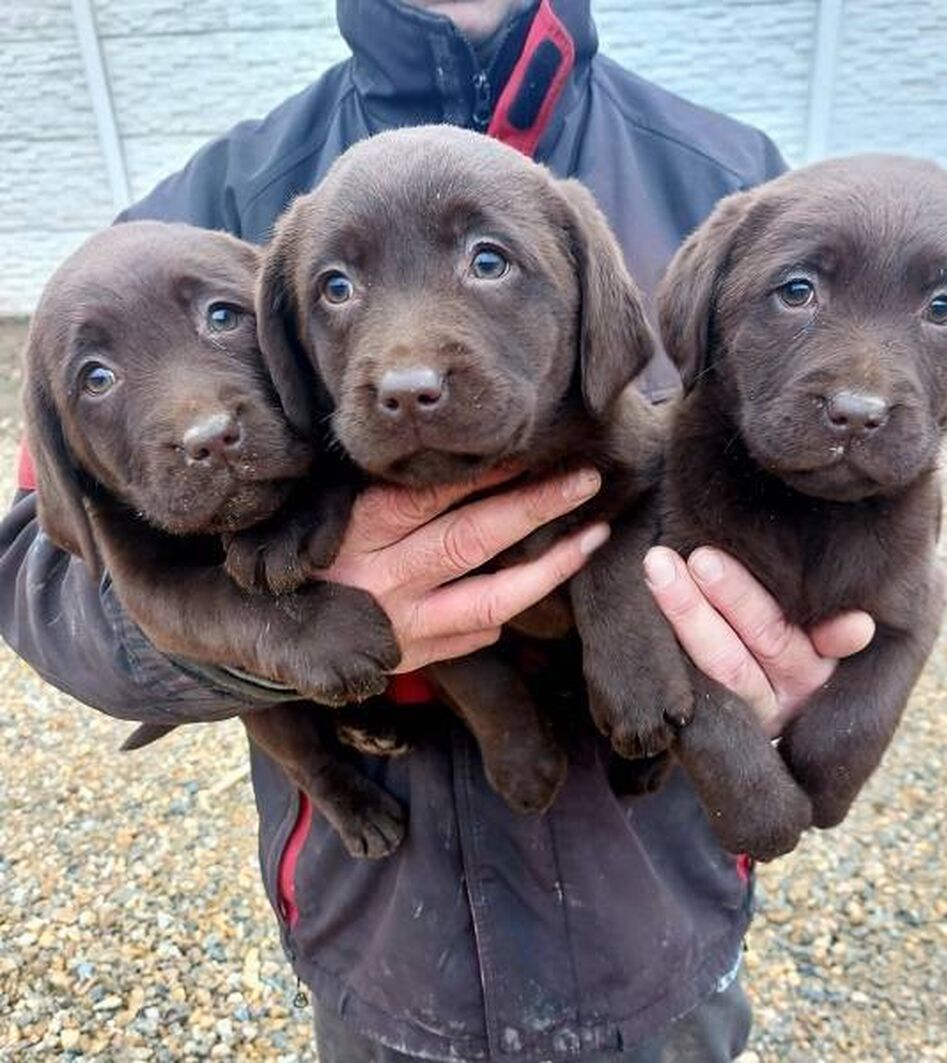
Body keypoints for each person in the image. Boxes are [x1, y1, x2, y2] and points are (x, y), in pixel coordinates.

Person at [0, 1, 875, 1059]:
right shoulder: (215, 204)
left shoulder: (733, 185)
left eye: (490, 262)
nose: (408, 370)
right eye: (336, 286)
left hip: (658, 915)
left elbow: (854, 481)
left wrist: (799, 649)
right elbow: (35, 571)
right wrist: (265, 636)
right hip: (376, 931)